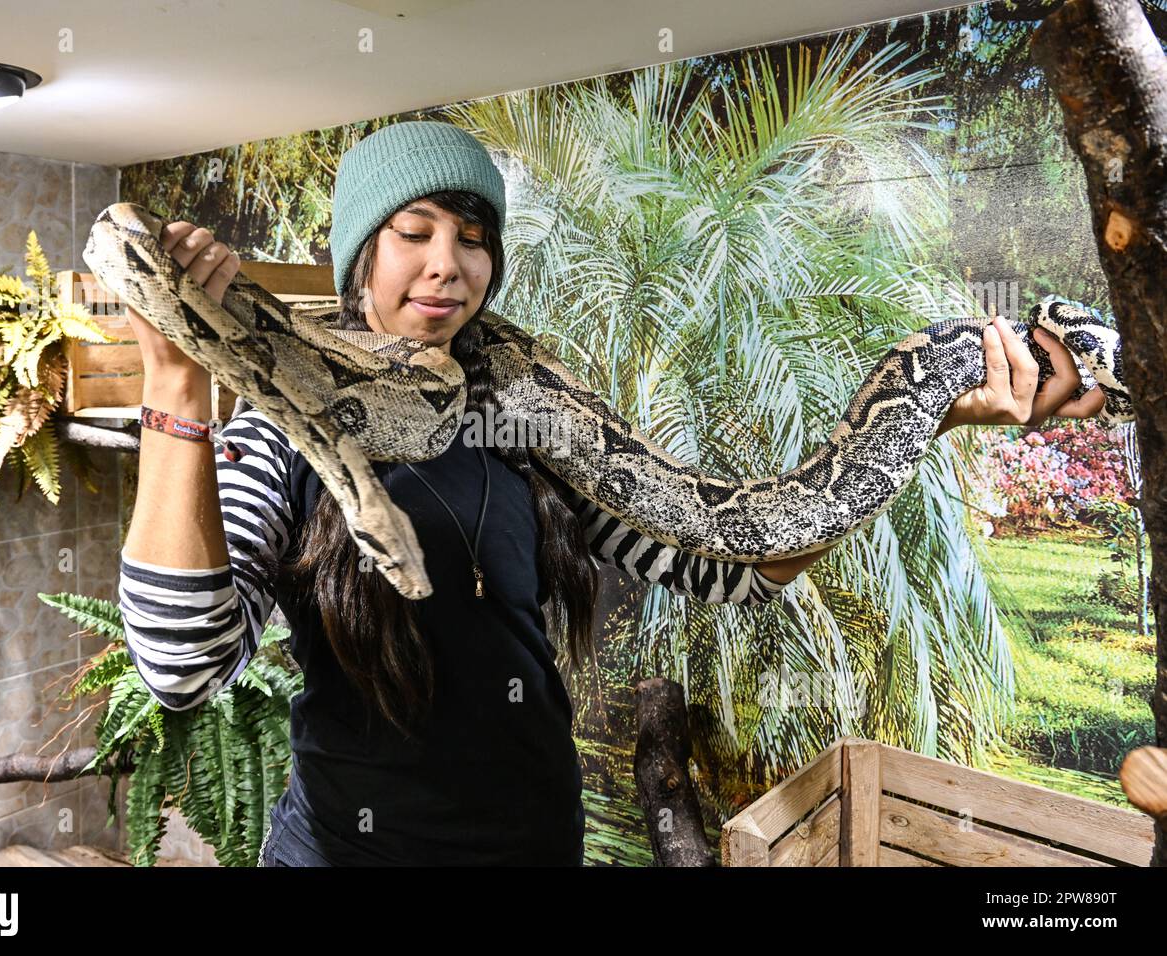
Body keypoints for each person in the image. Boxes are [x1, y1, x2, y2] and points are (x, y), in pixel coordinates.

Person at [116, 121, 1106, 867]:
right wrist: (175, 379)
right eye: (412, 232)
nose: (446, 264)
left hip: (532, 843)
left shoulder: (536, 421)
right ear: (358, 259)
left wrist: (922, 415)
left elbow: (737, 567)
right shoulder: (280, 430)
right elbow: (180, 664)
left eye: (471, 237)